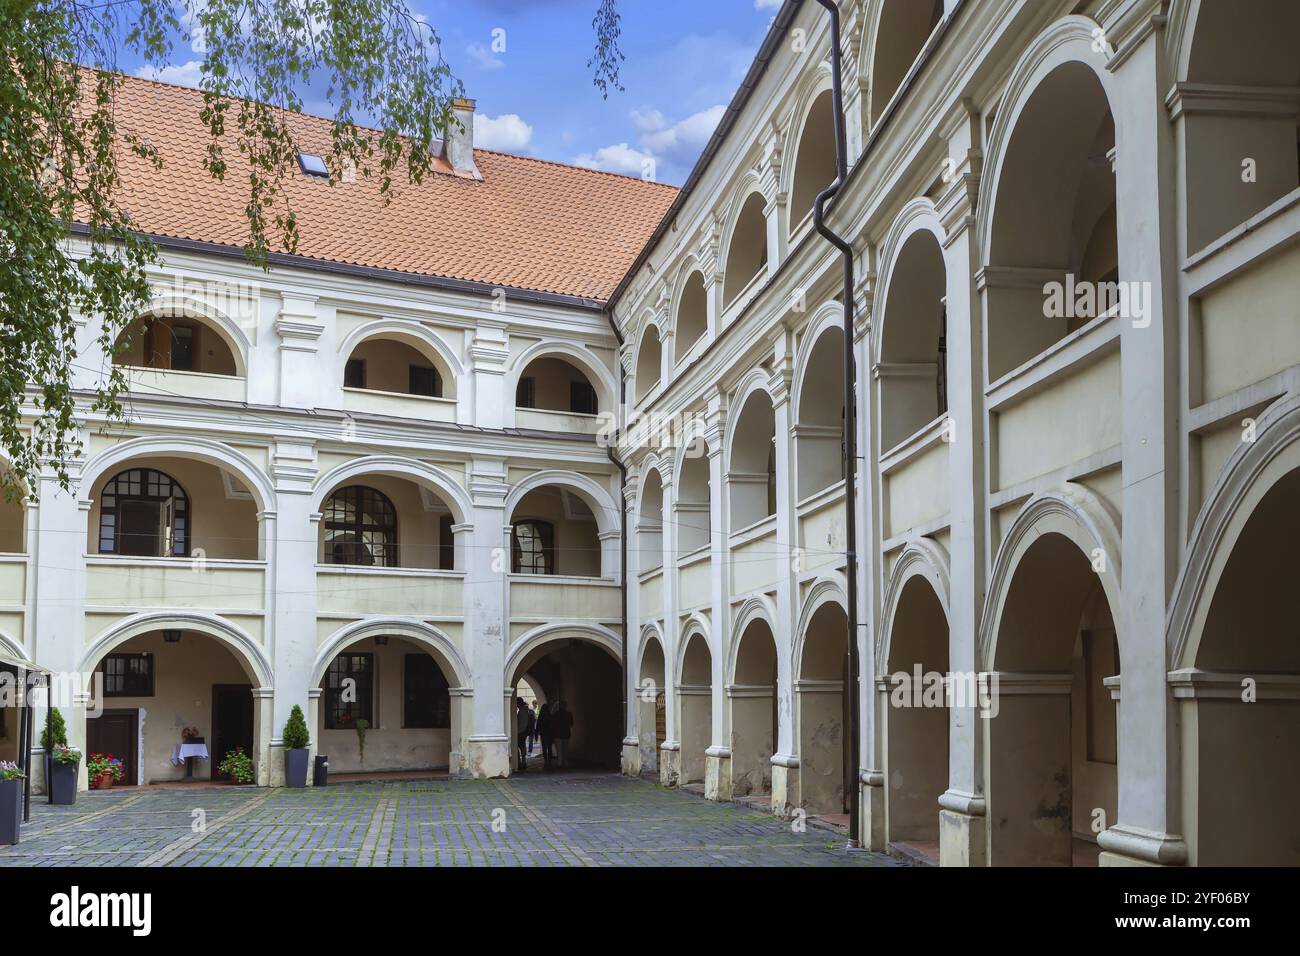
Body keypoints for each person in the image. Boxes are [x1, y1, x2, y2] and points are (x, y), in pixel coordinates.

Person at [515, 697, 533, 772]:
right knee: (521, 746)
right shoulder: (525, 710)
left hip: (521, 731)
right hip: (522, 731)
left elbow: (521, 722)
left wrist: (518, 730)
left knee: (520, 746)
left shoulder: (522, 711)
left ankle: (521, 762)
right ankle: (522, 761)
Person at [554, 700, 573, 769]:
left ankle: (559, 763)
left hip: (558, 734)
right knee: (565, 749)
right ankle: (565, 762)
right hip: (566, 733)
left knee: (559, 750)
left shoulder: (555, 714)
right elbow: (571, 724)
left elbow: (553, 724)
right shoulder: (569, 714)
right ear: (565, 706)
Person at [537, 700, 553, 771]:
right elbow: (553, 726)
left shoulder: (541, 716)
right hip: (549, 733)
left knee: (544, 747)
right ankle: (549, 760)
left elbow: (538, 725)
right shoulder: (550, 716)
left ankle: (546, 759)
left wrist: (536, 734)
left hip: (543, 733)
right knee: (549, 747)